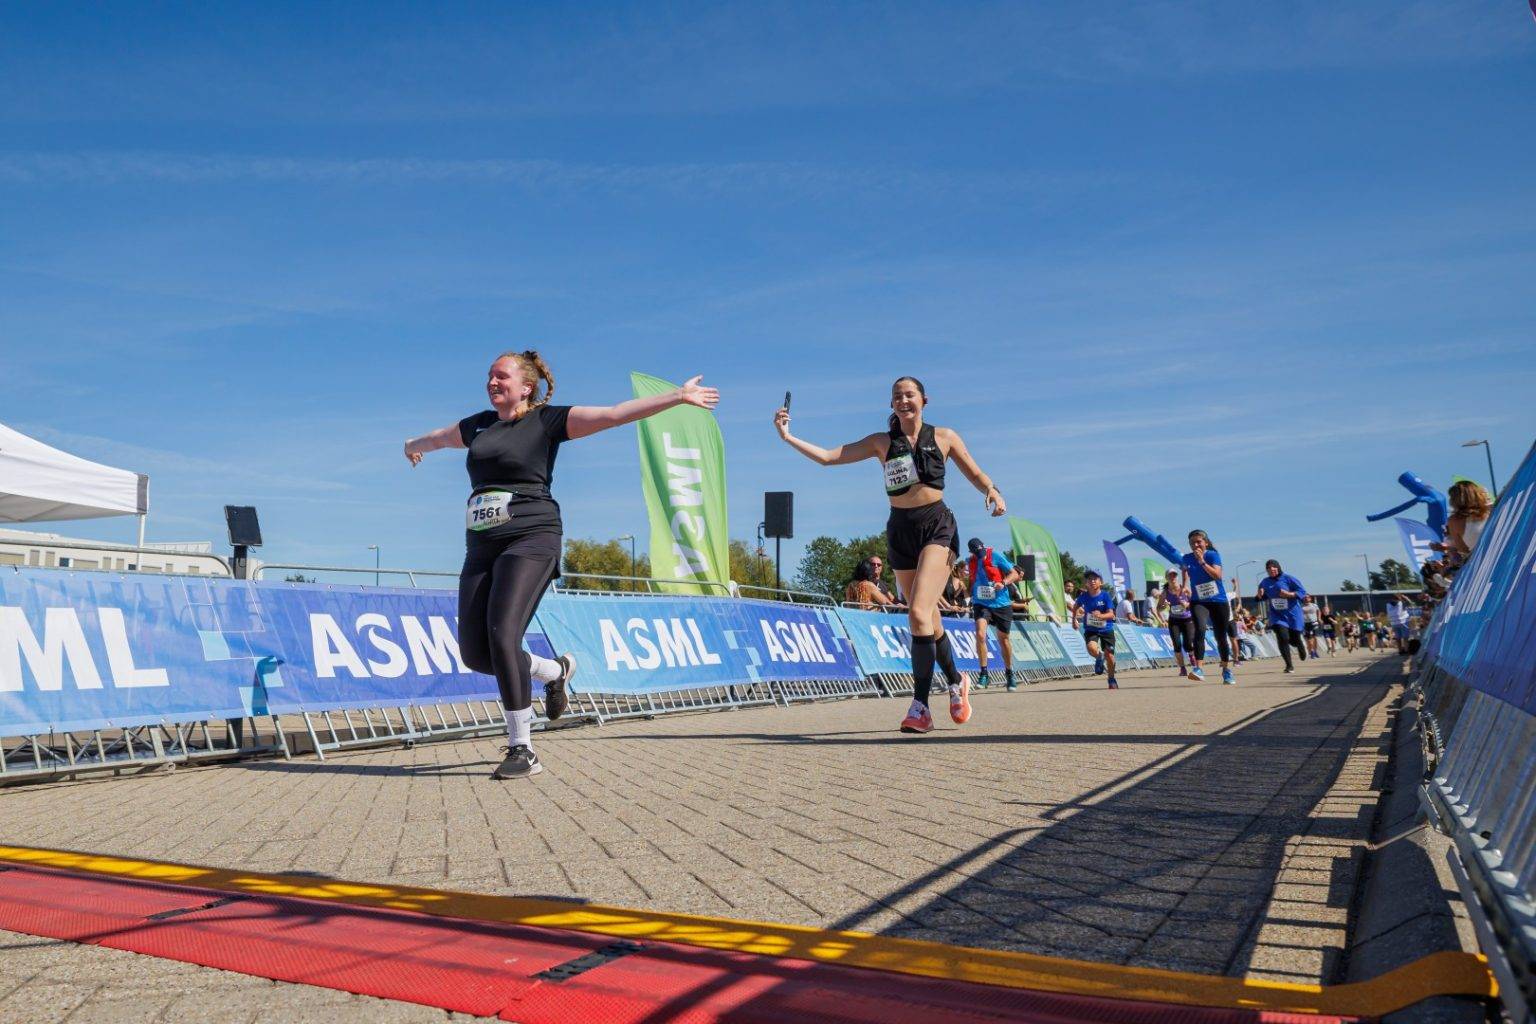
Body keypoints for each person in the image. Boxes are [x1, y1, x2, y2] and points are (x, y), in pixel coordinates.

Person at [405, 351, 719, 780]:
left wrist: (677, 396)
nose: (492, 382)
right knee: (476, 654)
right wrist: (413, 446)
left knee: (503, 635)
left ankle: (522, 747)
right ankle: (555, 672)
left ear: (526, 386)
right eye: (490, 376)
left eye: (501, 376)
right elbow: (440, 438)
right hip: (480, 546)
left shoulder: (547, 421)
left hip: (532, 538)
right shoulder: (479, 425)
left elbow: (613, 415)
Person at [775, 377, 1007, 734]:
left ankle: (920, 707)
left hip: (937, 526)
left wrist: (992, 490)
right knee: (929, 618)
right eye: (897, 396)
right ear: (892, 404)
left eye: (909, 394)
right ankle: (955, 680)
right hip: (901, 531)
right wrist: (788, 437)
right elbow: (828, 458)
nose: (903, 400)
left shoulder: (944, 437)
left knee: (917, 612)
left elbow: (974, 472)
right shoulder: (881, 443)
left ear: (924, 400)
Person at [966, 538, 1023, 691]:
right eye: (977, 553)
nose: (981, 555)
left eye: (982, 551)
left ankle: (1009, 672)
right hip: (981, 603)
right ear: (971, 552)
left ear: (984, 547)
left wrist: (1003, 583)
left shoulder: (996, 555)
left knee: (1003, 639)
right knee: (980, 634)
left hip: (1001, 603)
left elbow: (1014, 574)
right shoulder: (970, 561)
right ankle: (984, 673)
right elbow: (971, 581)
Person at [1182, 530, 1236, 684]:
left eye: (1198, 542)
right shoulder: (1187, 558)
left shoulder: (1212, 555)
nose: (1195, 545)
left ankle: (1226, 670)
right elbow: (1184, 570)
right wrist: (1184, 585)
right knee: (1200, 630)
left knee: (1221, 637)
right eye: (1192, 543)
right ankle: (1198, 669)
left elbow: (1217, 575)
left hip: (1218, 601)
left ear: (1205, 542)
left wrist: (1202, 561)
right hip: (1199, 601)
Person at [1255, 560, 1308, 673]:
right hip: (1277, 615)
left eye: (1273, 567)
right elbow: (1261, 597)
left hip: (1292, 614)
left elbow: (1302, 592)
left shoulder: (1288, 578)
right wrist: (1259, 596)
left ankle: (1299, 644)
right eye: (1269, 568)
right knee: (1283, 638)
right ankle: (1289, 665)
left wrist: (1290, 594)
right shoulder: (1265, 582)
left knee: (1293, 639)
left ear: (1278, 567)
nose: (1271, 569)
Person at [1072, 570, 1119, 689]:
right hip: (1091, 629)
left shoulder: (1105, 596)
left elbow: (1111, 615)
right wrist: (1074, 620)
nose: (1092, 581)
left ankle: (1111, 678)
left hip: (1106, 629)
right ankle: (1099, 656)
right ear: (1086, 583)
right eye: (1089, 579)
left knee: (1110, 656)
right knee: (1091, 648)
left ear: (1100, 582)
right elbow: (1075, 607)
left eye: (1095, 579)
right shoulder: (1084, 597)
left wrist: (1101, 616)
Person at [1432, 481, 1494, 567]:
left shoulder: (1454, 521)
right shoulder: (1492, 510)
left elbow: (1463, 549)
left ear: (1454, 500)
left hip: (1485, 561)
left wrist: (1448, 548)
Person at [1158, 570, 1198, 678]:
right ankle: (1182, 668)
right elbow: (1159, 608)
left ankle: (1191, 655)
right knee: (1177, 644)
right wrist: (1164, 606)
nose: (1173, 578)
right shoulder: (1165, 593)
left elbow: (1195, 603)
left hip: (1187, 619)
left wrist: (1187, 604)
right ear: (1166, 578)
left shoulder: (1185, 589)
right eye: (1170, 576)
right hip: (1174, 621)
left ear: (1177, 577)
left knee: (1188, 644)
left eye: (1174, 576)